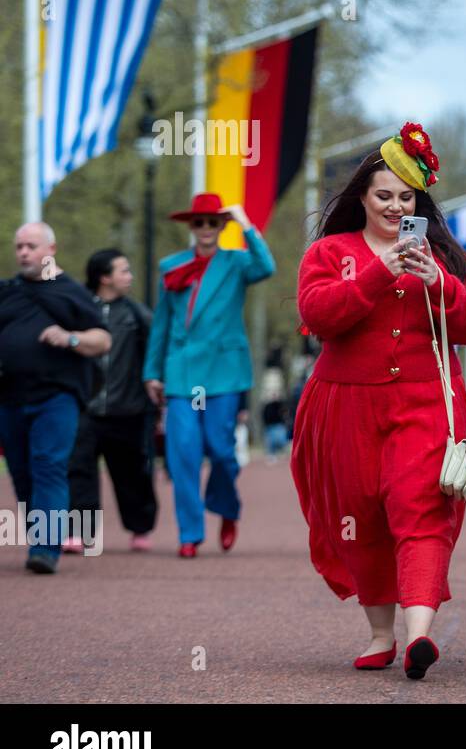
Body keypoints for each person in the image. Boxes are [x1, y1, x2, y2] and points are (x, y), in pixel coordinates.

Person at [291, 122, 466, 679]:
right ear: (362, 197)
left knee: (421, 508)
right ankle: (380, 632)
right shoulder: (331, 251)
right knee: (360, 517)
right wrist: (382, 273)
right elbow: (318, 315)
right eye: (384, 196)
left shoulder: (446, 256)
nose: (395, 206)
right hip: (345, 407)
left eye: (406, 198)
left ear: (419, 202)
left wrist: (440, 285)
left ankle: (420, 636)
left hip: (427, 403)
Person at [143, 196, 275, 558]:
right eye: (198, 223)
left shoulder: (237, 261)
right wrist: (152, 372)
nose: (204, 229)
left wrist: (244, 223)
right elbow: (162, 324)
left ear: (221, 226)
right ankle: (190, 532)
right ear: (191, 227)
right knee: (182, 452)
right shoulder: (172, 265)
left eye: (212, 222)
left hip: (222, 372)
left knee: (220, 451)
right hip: (182, 371)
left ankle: (227, 509)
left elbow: (267, 266)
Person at [0, 223, 112, 573]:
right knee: (21, 472)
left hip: (57, 397)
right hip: (10, 396)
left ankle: (45, 549)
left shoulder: (70, 292)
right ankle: (43, 534)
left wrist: (71, 339)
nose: (23, 253)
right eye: (19, 246)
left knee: (48, 464)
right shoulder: (8, 292)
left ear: (51, 249)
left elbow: (103, 340)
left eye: (31, 246)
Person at [65, 249, 157, 554]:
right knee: (79, 469)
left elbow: (155, 355)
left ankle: (140, 528)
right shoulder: (77, 309)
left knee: (132, 473)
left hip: (128, 409)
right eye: (123, 271)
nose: (129, 276)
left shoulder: (137, 314)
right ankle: (79, 532)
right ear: (105, 277)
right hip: (84, 407)